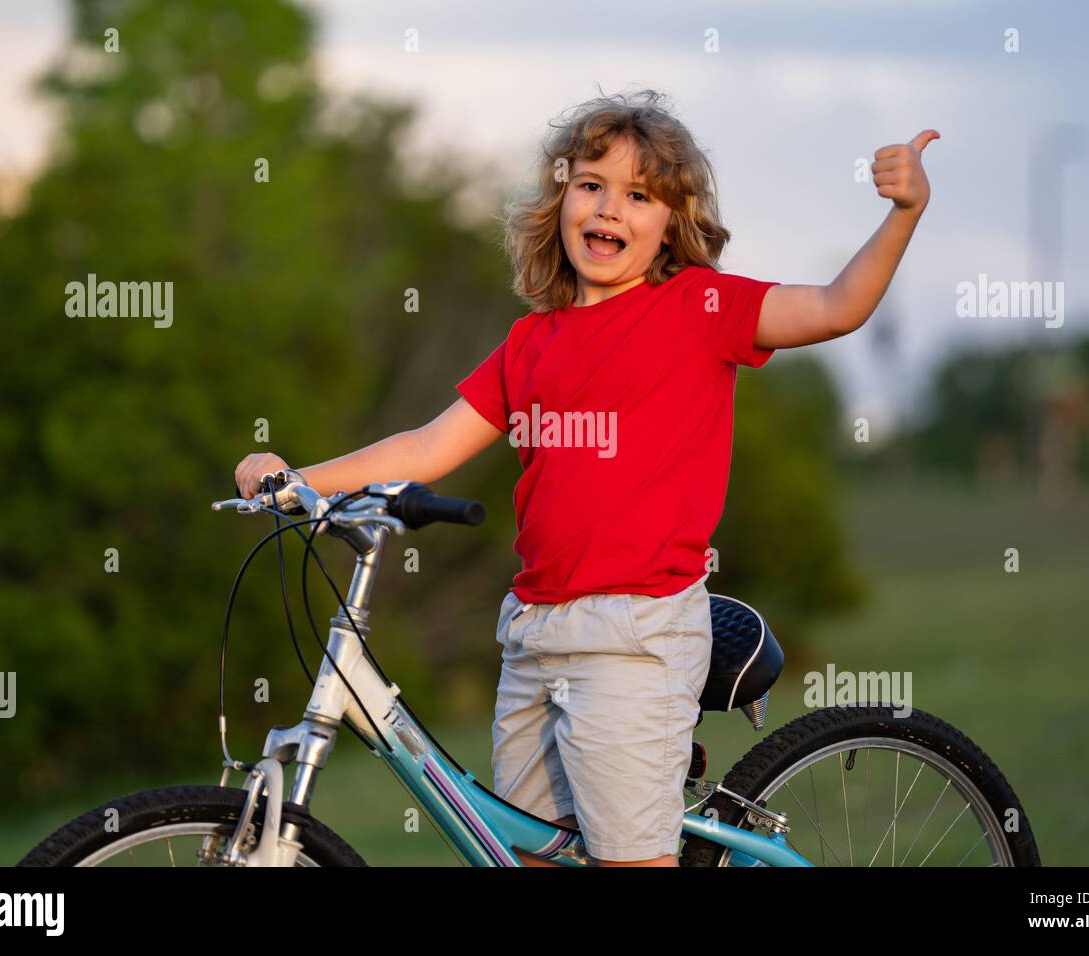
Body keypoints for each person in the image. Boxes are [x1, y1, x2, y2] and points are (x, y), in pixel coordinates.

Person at [235, 89, 936, 866]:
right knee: (529, 855)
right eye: (591, 185)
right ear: (559, 200)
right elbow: (426, 448)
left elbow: (837, 307)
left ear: (672, 223)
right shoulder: (532, 342)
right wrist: (295, 479)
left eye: (639, 196)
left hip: (636, 638)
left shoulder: (700, 308)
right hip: (533, 635)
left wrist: (902, 213)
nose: (610, 208)